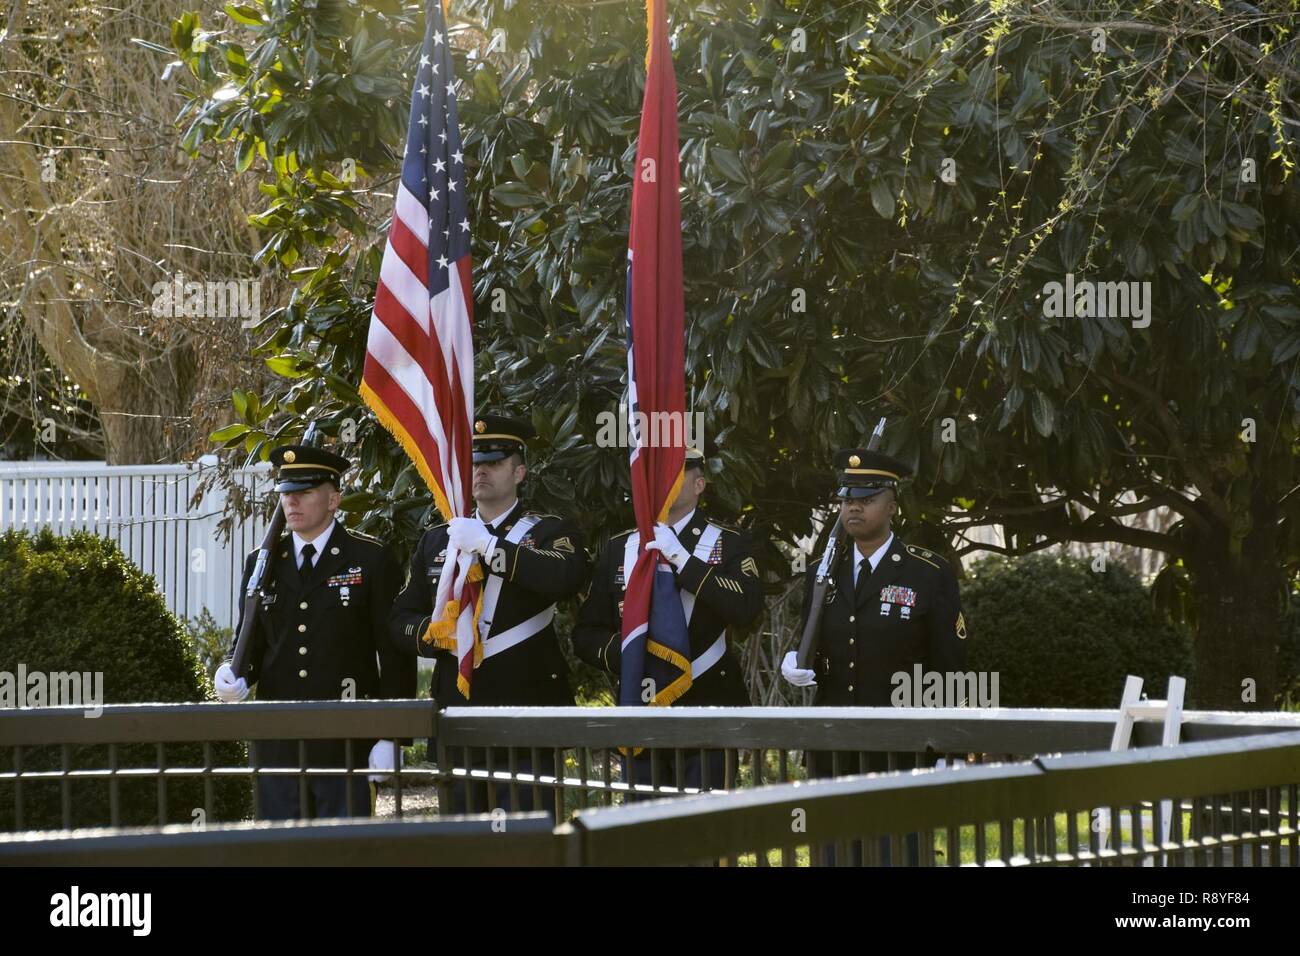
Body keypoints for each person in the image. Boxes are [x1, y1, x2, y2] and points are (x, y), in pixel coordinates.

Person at [389, 414, 587, 814]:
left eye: (494, 462)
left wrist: (491, 547)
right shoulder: (437, 539)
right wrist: (432, 632)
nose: (480, 470)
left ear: (519, 472)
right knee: (464, 842)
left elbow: (564, 577)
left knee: (525, 842)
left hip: (526, 711)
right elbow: (399, 617)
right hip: (458, 707)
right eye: (475, 462)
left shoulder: (548, 530)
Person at [782, 446, 966, 863]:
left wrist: (944, 752)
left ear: (892, 506)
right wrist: (798, 661)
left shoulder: (927, 573)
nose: (854, 508)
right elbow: (819, 641)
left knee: (895, 854)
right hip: (833, 746)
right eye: (848, 500)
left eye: (866, 500)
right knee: (833, 854)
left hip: (900, 749)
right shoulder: (821, 571)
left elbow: (950, 665)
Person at [214, 444, 415, 820]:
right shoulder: (263, 562)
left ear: (334, 498)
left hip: (346, 739)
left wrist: (393, 734)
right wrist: (232, 670)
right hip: (278, 741)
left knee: (344, 853)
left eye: (304, 492)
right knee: (280, 852)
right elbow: (251, 641)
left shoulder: (369, 559)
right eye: (287, 493)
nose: (292, 502)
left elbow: (393, 652)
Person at [574, 445, 762, 795]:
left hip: (709, 705)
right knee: (643, 831)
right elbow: (587, 633)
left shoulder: (727, 542)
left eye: (677, 471)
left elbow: (747, 608)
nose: (664, 480)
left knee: (704, 835)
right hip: (639, 706)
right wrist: (629, 655)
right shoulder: (622, 548)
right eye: (656, 472)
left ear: (699, 484)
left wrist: (685, 562)